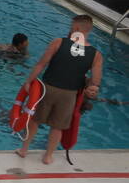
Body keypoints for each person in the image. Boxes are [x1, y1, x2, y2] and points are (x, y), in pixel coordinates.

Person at [17, 14, 104, 164]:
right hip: (69, 95)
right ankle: (48, 156)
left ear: (76, 28)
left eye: (71, 27)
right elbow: (95, 82)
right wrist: (92, 88)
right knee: (58, 127)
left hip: (47, 89)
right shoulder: (96, 54)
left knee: (36, 120)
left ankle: (24, 149)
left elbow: (41, 64)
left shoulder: (58, 42)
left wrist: (28, 82)